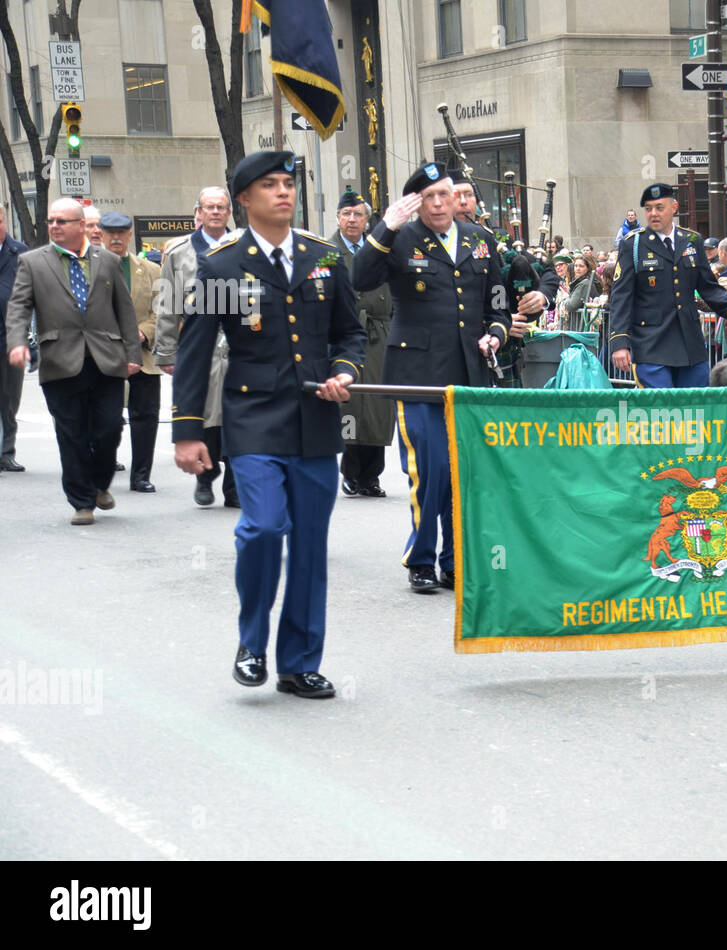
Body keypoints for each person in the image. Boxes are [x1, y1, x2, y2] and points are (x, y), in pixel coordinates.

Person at [172, 150, 366, 699]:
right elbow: (194, 350)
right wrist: (188, 431)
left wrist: (344, 372)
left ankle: (300, 662)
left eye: (288, 184)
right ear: (243, 199)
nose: (284, 193)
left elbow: (350, 334)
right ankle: (252, 641)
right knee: (262, 527)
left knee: (309, 545)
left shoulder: (324, 258)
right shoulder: (222, 265)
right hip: (254, 417)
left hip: (316, 419)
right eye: (270, 185)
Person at [353, 160, 510, 593]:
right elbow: (359, 277)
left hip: (467, 374)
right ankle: (420, 558)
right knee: (431, 469)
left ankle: (454, 559)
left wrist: (496, 333)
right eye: (429, 197)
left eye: (445, 194)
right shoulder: (400, 239)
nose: (440, 203)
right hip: (417, 374)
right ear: (417, 203)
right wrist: (384, 227)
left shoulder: (480, 240)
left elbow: (496, 301)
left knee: (464, 472)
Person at [5, 198, 140, 524]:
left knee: (109, 428)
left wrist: (133, 354)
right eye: (52, 221)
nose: (54, 226)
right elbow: (19, 307)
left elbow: (124, 309)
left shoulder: (107, 260)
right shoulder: (32, 262)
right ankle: (82, 501)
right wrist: (17, 342)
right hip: (60, 361)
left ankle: (100, 482)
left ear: (81, 226)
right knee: (72, 433)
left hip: (105, 359)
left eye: (62, 221)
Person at [607, 183, 727, 388]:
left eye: (659, 207)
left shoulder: (692, 240)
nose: (653, 213)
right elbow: (621, 297)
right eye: (648, 209)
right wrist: (619, 343)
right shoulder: (633, 244)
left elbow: (708, 287)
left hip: (689, 343)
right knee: (663, 411)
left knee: (694, 410)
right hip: (651, 345)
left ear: (674, 208)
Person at [155, 185, 242, 508]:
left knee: (238, 417)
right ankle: (206, 475)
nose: (216, 212)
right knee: (204, 416)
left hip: (237, 345)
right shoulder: (179, 253)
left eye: (221, 207)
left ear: (229, 212)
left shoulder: (245, 246)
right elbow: (168, 305)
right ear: (199, 213)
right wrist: (166, 352)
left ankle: (235, 487)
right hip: (199, 346)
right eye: (210, 207)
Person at [332, 187, 394, 497]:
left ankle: (373, 475)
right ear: (338, 218)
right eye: (347, 214)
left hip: (380, 334)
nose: (352, 220)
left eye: (358, 214)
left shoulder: (379, 250)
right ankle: (351, 472)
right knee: (351, 403)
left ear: (367, 220)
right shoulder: (327, 251)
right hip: (346, 333)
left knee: (379, 405)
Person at [99, 212, 164, 492]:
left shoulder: (151, 271)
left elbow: (163, 311)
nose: (116, 238)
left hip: (143, 355)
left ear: (129, 236)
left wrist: (143, 332)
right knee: (107, 419)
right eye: (110, 233)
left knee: (146, 416)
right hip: (104, 355)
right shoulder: (89, 268)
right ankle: (102, 469)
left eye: (121, 233)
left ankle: (141, 475)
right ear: (101, 235)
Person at [0, 205, 29, 473]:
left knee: (10, 399)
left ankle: (6, 452)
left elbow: (31, 298)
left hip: (11, 339)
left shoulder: (19, 253)